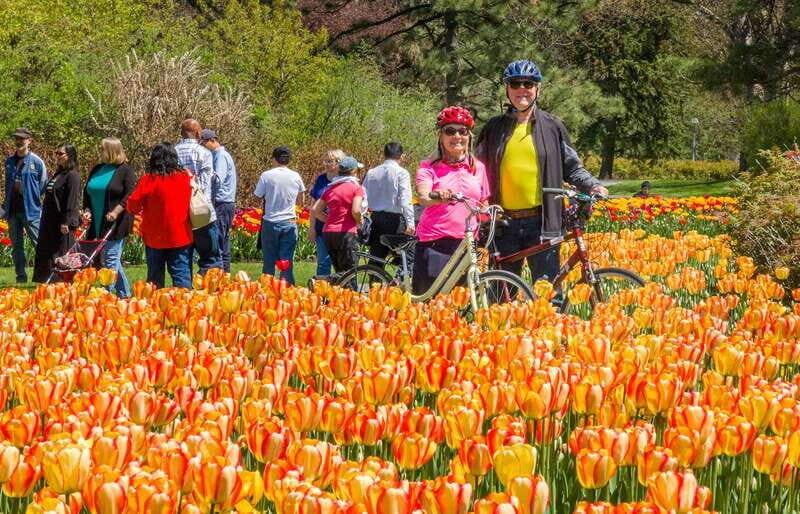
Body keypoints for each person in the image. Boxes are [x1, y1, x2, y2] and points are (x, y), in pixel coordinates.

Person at [476, 60, 607, 284]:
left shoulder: (553, 126)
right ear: (507, 89)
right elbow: (476, 172)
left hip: (543, 222)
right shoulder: (493, 128)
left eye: (528, 83)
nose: (521, 89)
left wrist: (593, 185)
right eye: (515, 84)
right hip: (503, 225)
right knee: (500, 297)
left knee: (548, 295)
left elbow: (573, 167)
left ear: (538, 88)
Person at [414, 106, 490, 295]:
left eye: (462, 131)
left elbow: (483, 203)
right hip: (435, 241)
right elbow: (423, 197)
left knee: (461, 303)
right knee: (430, 303)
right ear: (441, 136)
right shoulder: (428, 167)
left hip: (468, 243)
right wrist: (438, 196)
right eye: (450, 131)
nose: (457, 136)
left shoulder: (477, 168)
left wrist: (491, 212)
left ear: (469, 136)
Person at [126, 143, 193, 289]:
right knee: (181, 274)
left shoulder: (148, 180)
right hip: (180, 234)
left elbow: (133, 206)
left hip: (154, 236)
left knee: (155, 278)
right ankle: (186, 306)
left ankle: (155, 307)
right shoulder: (185, 177)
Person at [81, 138, 136, 297]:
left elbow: (130, 194)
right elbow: (88, 192)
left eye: (102, 149)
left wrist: (116, 211)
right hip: (97, 220)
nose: (100, 151)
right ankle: (124, 294)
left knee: (110, 260)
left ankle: (106, 295)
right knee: (114, 261)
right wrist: (87, 210)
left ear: (112, 150)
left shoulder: (125, 170)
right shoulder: (98, 168)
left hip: (116, 222)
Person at [175, 118, 221, 274]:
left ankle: (185, 292)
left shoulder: (172, 152)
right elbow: (204, 183)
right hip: (202, 212)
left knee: (183, 258)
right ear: (197, 133)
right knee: (210, 258)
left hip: (180, 212)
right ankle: (208, 290)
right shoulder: (204, 152)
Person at [254, 146, 305, 284]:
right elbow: (301, 200)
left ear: (273, 159)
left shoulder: (266, 175)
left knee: (269, 260)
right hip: (289, 220)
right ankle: (287, 288)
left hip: (270, 221)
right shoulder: (295, 176)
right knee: (286, 260)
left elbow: (258, 196)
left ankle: (267, 288)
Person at [3, 128, 47, 283]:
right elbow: (7, 185)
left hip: (31, 211)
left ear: (29, 140)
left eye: (22, 139)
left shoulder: (37, 161)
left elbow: (43, 184)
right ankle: (21, 277)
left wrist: (32, 198)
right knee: (17, 248)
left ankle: (45, 276)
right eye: (17, 138)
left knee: (39, 245)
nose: (19, 141)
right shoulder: (9, 162)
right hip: (12, 212)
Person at [32, 144, 81, 283]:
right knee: (46, 251)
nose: (57, 156)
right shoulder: (59, 174)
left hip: (62, 223)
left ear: (70, 156)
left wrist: (66, 221)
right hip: (49, 220)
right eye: (56, 153)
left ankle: (62, 282)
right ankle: (47, 280)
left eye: (61, 154)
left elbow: (72, 200)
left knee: (60, 253)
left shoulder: (73, 175)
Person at [362, 142, 415, 267]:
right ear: (402, 156)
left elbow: (363, 197)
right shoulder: (402, 173)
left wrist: (361, 219)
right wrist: (410, 222)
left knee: (376, 257)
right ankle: (401, 282)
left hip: (376, 218)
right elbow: (405, 199)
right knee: (406, 257)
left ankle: (374, 284)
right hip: (395, 220)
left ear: (384, 155)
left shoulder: (372, 172)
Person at [311, 156, 365, 275]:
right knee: (350, 272)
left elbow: (315, 210)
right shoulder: (356, 188)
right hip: (347, 232)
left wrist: (329, 220)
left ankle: (338, 292)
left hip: (329, 233)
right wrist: (359, 220)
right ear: (353, 172)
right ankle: (350, 293)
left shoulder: (331, 188)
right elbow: (356, 210)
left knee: (339, 272)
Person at [200, 128, 237, 272]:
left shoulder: (220, 156)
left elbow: (216, 179)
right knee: (223, 241)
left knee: (219, 242)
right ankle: (225, 274)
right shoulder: (219, 155)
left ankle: (220, 275)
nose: (203, 147)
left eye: (204, 144)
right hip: (225, 203)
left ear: (212, 140)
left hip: (222, 202)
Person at [308, 149, 344, 278]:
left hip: (340, 229)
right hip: (321, 228)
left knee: (342, 263)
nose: (327, 164)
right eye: (326, 161)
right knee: (323, 262)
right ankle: (321, 293)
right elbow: (313, 205)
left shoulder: (344, 180)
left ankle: (343, 292)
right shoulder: (321, 179)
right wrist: (311, 228)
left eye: (330, 161)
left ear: (339, 163)